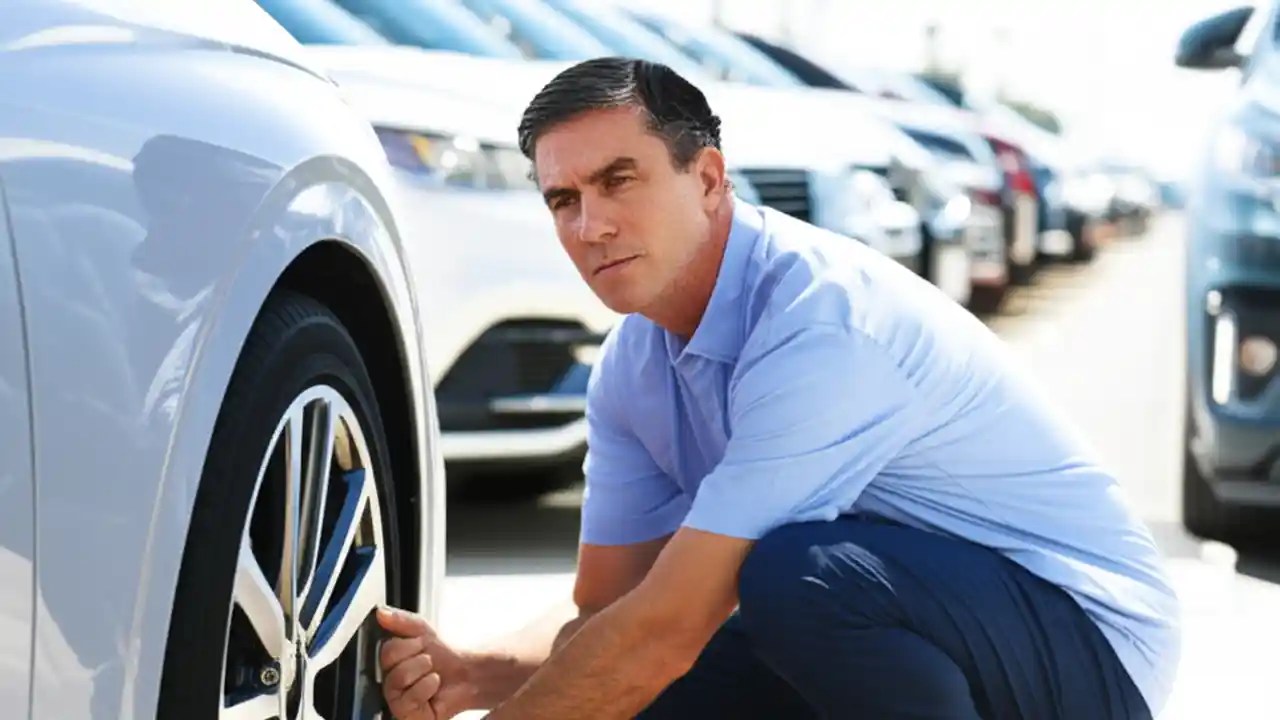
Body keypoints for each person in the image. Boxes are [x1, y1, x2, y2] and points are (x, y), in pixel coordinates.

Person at [375, 57, 1181, 719]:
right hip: (930, 631)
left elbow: (663, 630)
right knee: (650, 682)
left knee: (792, 579)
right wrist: (476, 674)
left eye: (620, 181)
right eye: (565, 200)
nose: (591, 226)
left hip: (1088, 649)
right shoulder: (633, 365)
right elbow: (610, 612)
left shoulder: (819, 323)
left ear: (710, 178)